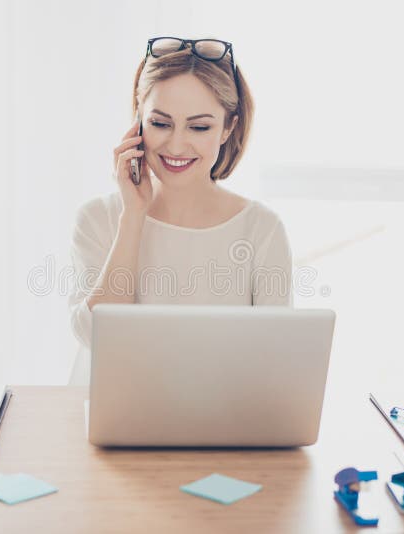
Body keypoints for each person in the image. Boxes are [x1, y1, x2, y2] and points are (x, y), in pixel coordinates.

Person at [67, 37, 293, 385]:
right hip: (111, 428)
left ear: (228, 128)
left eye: (199, 127)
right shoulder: (97, 219)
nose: (175, 145)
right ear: (138, 117)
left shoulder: (262, 229)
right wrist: (133, 216)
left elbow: (275, 364)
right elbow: (95, 337)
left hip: (222, 425)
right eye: (160, 123)